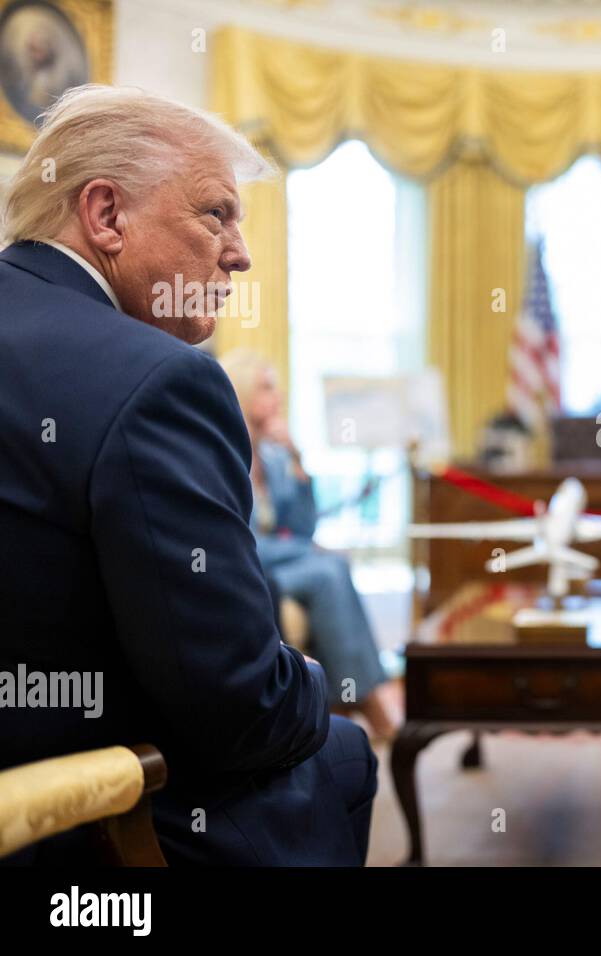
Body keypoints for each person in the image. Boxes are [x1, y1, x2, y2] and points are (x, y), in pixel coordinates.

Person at [0, 85, 376, 865]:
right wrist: (309, 677)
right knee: (344, 749)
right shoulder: (159, 381)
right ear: (106, 216)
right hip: (79, 822)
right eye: (216, 214)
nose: (239, 251)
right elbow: (241, 711)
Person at [220, 350, 404, 740]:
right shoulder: (225, 453)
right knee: (326, 571)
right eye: (267, 388)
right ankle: (370, 705)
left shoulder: (272, 455)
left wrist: (296, 456)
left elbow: (304, 527)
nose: (278, 397)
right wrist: (309, 551)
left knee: (329, 570)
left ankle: (345, 706)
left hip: (283, 562)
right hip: (253, 567)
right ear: (241, 391)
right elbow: (244, 541)